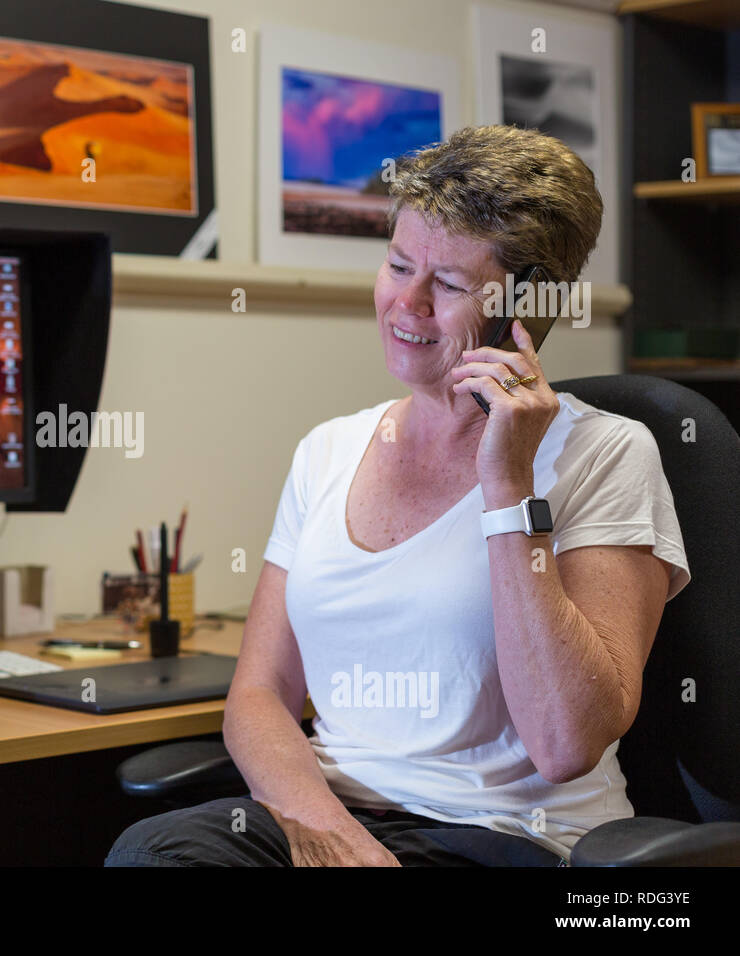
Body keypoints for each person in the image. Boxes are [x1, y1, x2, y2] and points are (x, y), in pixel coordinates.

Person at [106, 125, 690, 867]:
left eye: (446, 284)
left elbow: (565, 742)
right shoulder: (328, 450)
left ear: (526, 312)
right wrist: (332, 834)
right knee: (152, 853)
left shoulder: (607, 453)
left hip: (505, 837)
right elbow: (258, 696)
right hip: (335, 816)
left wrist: (506, 483)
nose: (406, 303)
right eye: (397, 264)